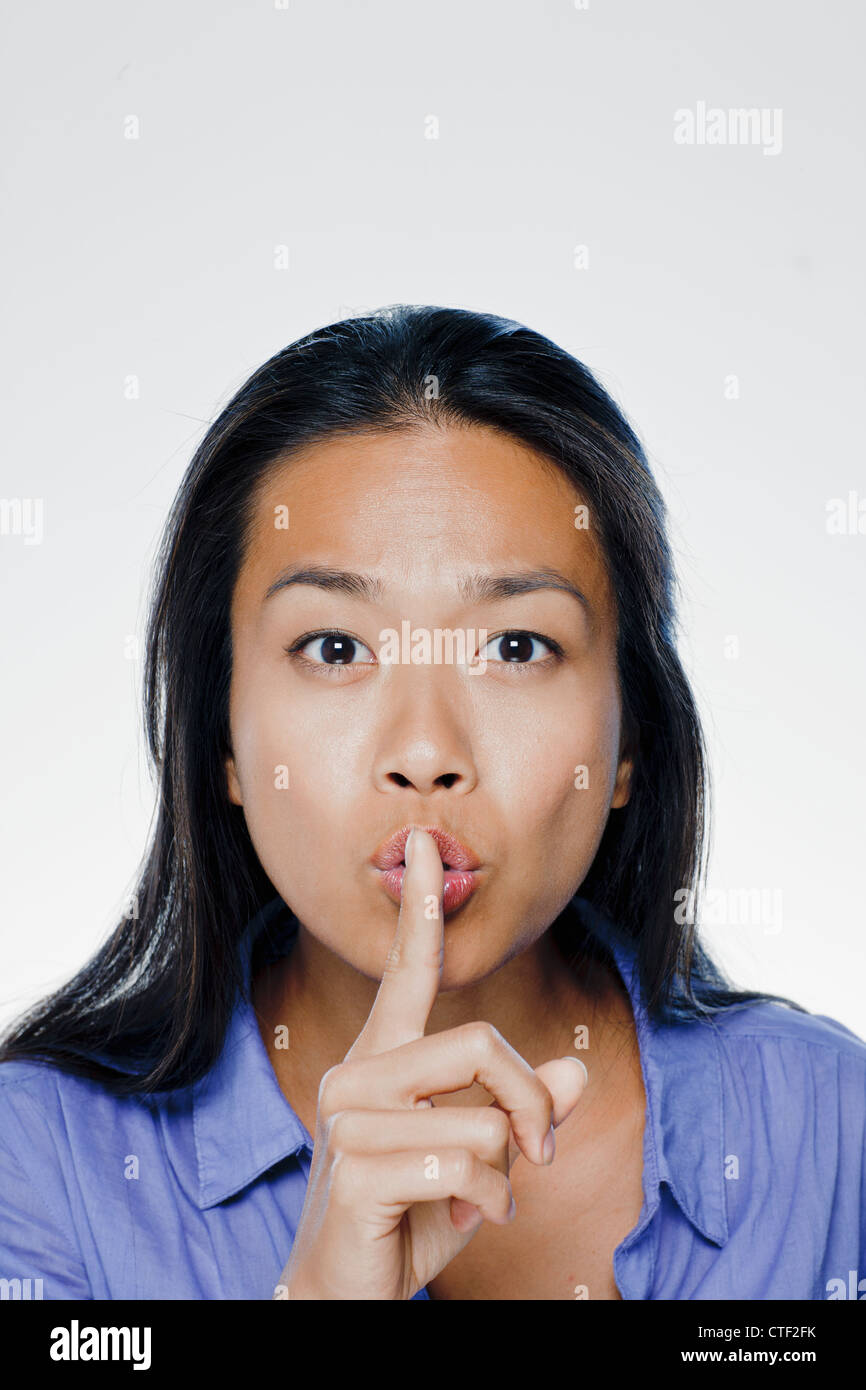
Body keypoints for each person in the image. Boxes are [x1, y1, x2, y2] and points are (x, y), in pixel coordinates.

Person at [1, 305, 864, 1301]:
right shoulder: (39, 1167)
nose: (424, 752)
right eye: (334, 649)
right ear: (221, 739)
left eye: (514, 647)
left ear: (628, 741)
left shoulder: (828, 1133)